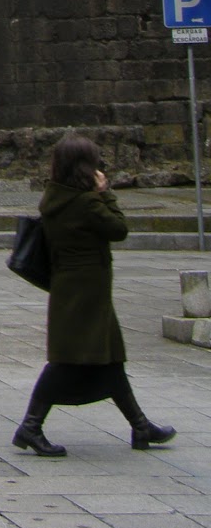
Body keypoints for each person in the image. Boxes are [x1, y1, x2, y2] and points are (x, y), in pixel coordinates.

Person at [13, 133, 175, 457]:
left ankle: (140, 425)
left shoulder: (54, 197)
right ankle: (30, 426)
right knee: (65, 362)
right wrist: (106, 194)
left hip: (73, 290)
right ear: (83, 167)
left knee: (111, 359)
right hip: (85, 294)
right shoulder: (86, 202)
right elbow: (119, 229)